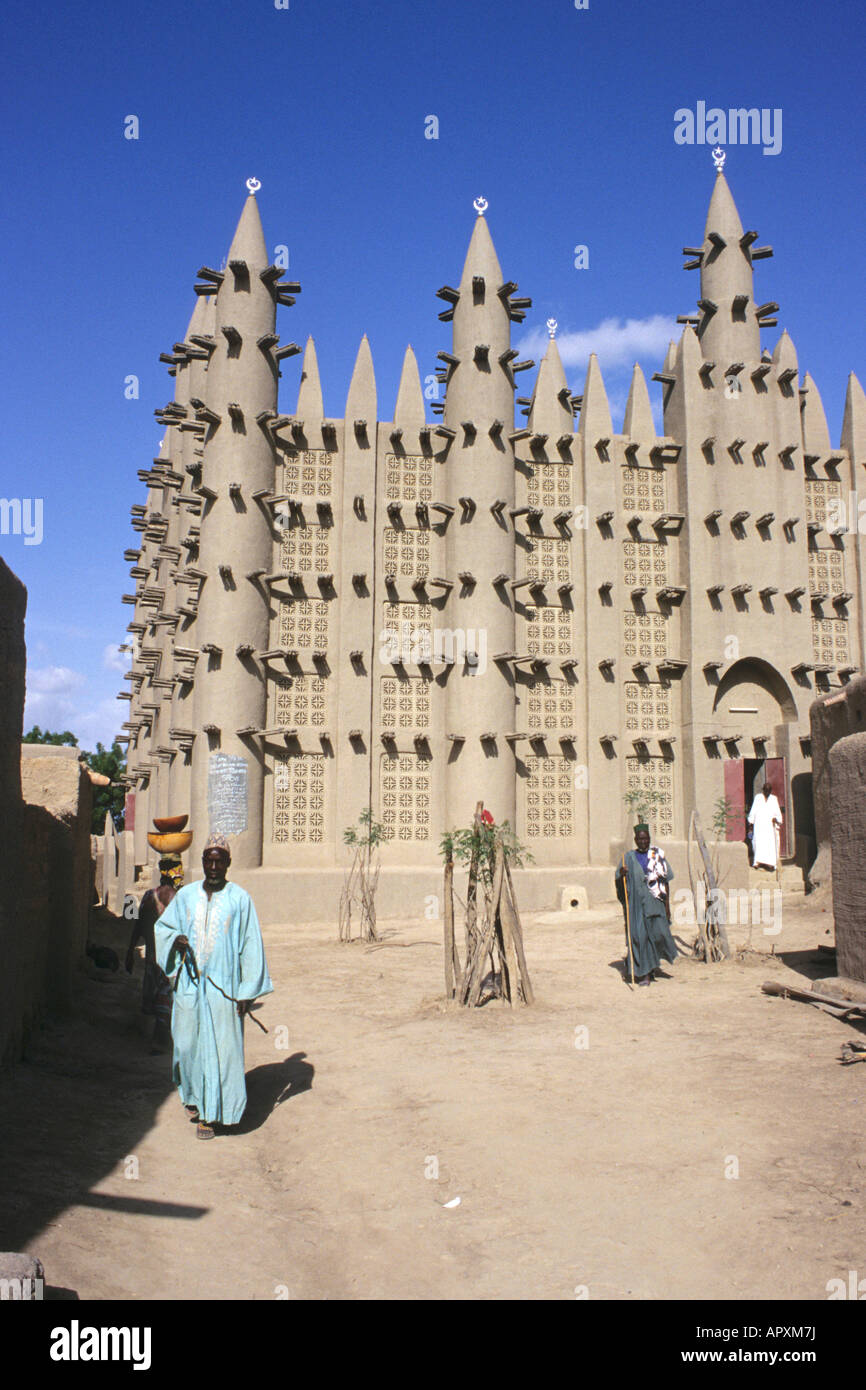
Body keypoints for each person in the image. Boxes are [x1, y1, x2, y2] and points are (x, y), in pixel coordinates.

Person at [155, 833, 273, 1140]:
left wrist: (247, 992)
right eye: (209, 859)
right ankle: (194, 1095)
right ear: (203, 862)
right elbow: (164, 928)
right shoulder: (186, 896)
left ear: (229, 863)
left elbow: (251, 946)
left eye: (220, 860)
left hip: (225, 988)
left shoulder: (240, 899)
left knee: (220, 1050)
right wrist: (176, 939)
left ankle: (211, 1115)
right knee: (184, 1044)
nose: (214, 866)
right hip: (189, 986)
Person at [125, 854, 184, 1052]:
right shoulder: (179, 898)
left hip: (153, 957)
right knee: (166, 997)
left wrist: (129, 952)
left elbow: (138, 926)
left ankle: (160, 1039)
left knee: (158, 997)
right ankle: (162, 1039)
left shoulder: (150, 897)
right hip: (171, 959)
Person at [615, 823, 678, 987]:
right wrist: (622, 875)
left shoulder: (657, 856)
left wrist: (667, 906)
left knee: (658, 935)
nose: (643, 841)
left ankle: (653, 965)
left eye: (646, 838)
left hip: (655, 904)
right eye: (640, 839)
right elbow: (619, 883)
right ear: (635, 840)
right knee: (640, 937)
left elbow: (665, 882)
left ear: (649, 839)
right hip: (637, 906)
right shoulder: (627, 858)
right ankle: (644, 973)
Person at [747, 781, 783, 871]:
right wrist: (751, 823)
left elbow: (778, 813)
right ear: (763, 790)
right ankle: (757, 862)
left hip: (770, 827)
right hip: (759, 825)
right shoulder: (758, 798)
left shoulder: (774, 799)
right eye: (765, 790)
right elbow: (753, 811)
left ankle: (771, 864)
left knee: (770, 844)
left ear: (771, 791)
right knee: (758, 842)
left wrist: (776, 819)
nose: (767, 792)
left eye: (769, 790)